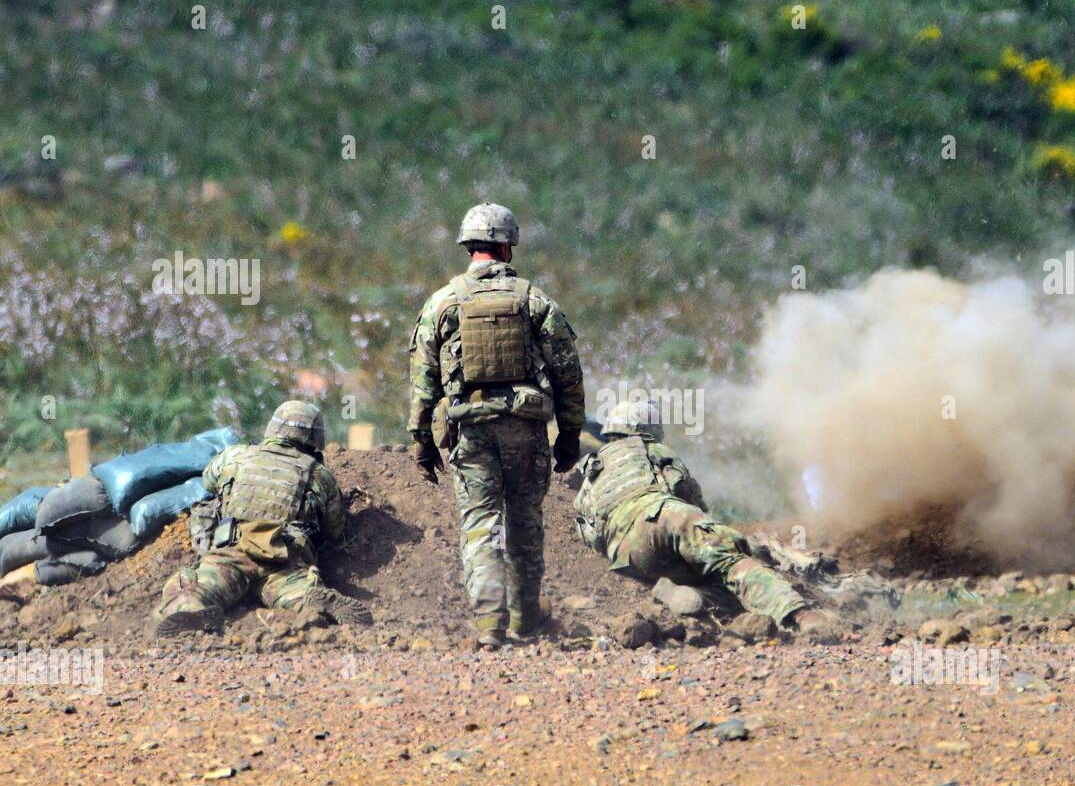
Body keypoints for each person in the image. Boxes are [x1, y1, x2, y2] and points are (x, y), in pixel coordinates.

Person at [407, 203, 586, 648]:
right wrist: (569, 434)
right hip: (526, 431)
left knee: (480, 525)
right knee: (525, 524)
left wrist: (421, 441)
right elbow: (568, 372)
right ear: (507, 245)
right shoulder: (534, 300)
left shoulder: (443, 302)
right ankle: (526, 623)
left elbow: (424, 379)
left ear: (470, 247)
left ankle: (490, 627)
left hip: (470, 431)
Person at [574, 400, 834, 640]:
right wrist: (714, 535)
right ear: (645, 428)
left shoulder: (591, 476)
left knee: (716, 585)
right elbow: (687, 493)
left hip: (626, 554)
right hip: (663, 515)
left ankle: (693, 597)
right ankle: (802, 616)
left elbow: (591, 535)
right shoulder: (648, 448)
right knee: (730, 563)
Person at [152, 400, 372, 636]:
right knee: (298, 592)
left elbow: (209, 480)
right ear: (315, 439)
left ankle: (192, 611)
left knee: (193, 589)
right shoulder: (319, 474)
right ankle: (313, 603)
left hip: (232, 555)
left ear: (273, 429)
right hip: (283, 559)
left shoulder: (237, 456)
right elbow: (335, 529)